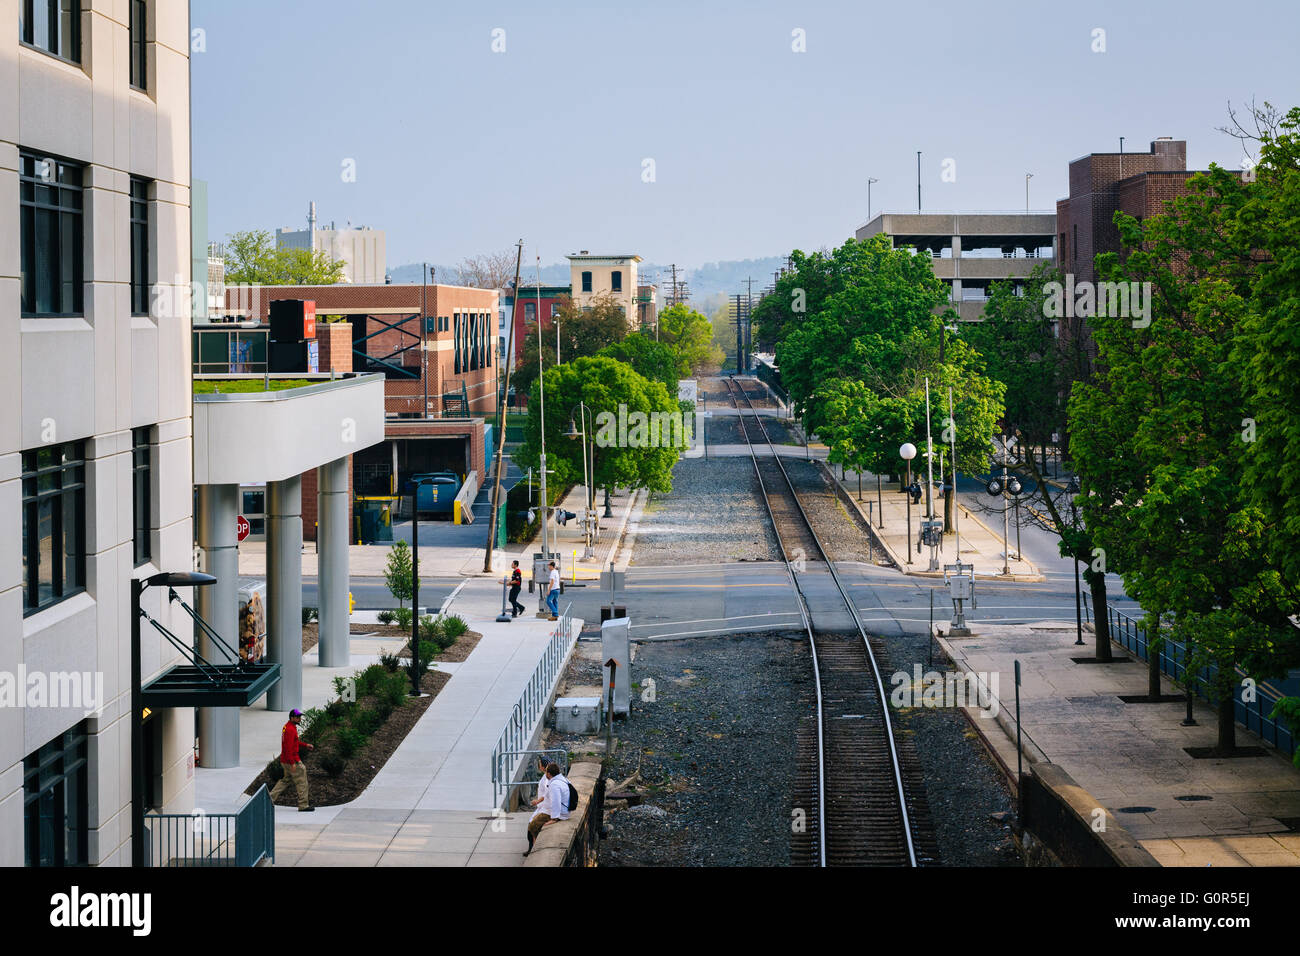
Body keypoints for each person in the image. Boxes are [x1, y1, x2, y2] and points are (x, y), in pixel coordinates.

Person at [269, 709, 315, 812]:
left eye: (300, 717)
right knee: (302, 782)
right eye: (297, 717)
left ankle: (269, 800)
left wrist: (305, 745)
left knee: (285, 781)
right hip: (292, 761)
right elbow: (288, 748)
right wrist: (293, 763)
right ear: (292, 718)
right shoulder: (290, 729)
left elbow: (293, 742)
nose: (299, 719)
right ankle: (303, 805)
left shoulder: (288, 727)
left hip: (285, 761)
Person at [523, 762, 570, 856]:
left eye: (546, 772)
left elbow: (556, 802)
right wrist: (538, 801)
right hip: (564, 809)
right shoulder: (561, 779)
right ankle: (534, 847)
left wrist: (554, 819)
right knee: (534, 824)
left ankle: (536, 848)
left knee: (532, 825)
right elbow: (547, 794)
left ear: (549, 774)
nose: (545, 774)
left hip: (560, 813)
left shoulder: (554, 785)